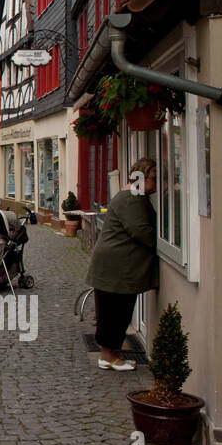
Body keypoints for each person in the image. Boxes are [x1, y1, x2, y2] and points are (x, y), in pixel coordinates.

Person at [86, 159, 158, 371]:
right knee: (114, 311)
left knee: (116, 310)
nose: (155, 184)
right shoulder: (132, 198)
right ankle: (107, 356)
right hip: (115, 267)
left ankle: (113, 353)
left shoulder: (131, 195)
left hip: (116, 265)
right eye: (153, 178)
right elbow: (140, 230)